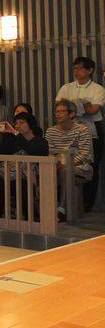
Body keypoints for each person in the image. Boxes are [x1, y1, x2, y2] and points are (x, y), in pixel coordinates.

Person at [56, 57, 104, 212]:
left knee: (91, 164)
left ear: (90, 70)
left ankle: (88, 203)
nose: (76, 71)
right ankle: (65, 203)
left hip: (92, 129)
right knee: (64, 161)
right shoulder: (67, 87)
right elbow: (59, 106)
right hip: (68, 128)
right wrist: (83, 105)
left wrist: (73, 107)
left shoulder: (97, 89)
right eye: (75, 68)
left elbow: (94, 110)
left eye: (80, 68)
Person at [46, 100, 94, 222]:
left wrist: (66, 164)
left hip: (81, 167)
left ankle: (61, 208)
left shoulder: (82, 130)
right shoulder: (51, 131)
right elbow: (50, 152)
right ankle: (45, 209)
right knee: (43, 171)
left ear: (71, 114)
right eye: (57, 111)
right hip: (57, 165)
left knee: (66, 171)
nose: (58, 114)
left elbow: (85, 155)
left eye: (62, 111)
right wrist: (56, 163)